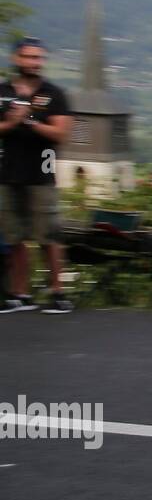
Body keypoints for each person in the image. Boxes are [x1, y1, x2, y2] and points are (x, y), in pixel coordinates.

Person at [0, 37, 73, 314]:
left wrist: (29, 120)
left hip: (42, 175)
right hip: (8, 174)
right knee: (14, 237)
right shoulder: (2, 91)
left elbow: (61, 133)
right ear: (16, 59)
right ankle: (20, 294)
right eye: (29, 57)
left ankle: (58, 292)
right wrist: (11, 123)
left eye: (38, 58)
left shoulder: (54, 94)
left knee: (49, 237)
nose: (34, 63)